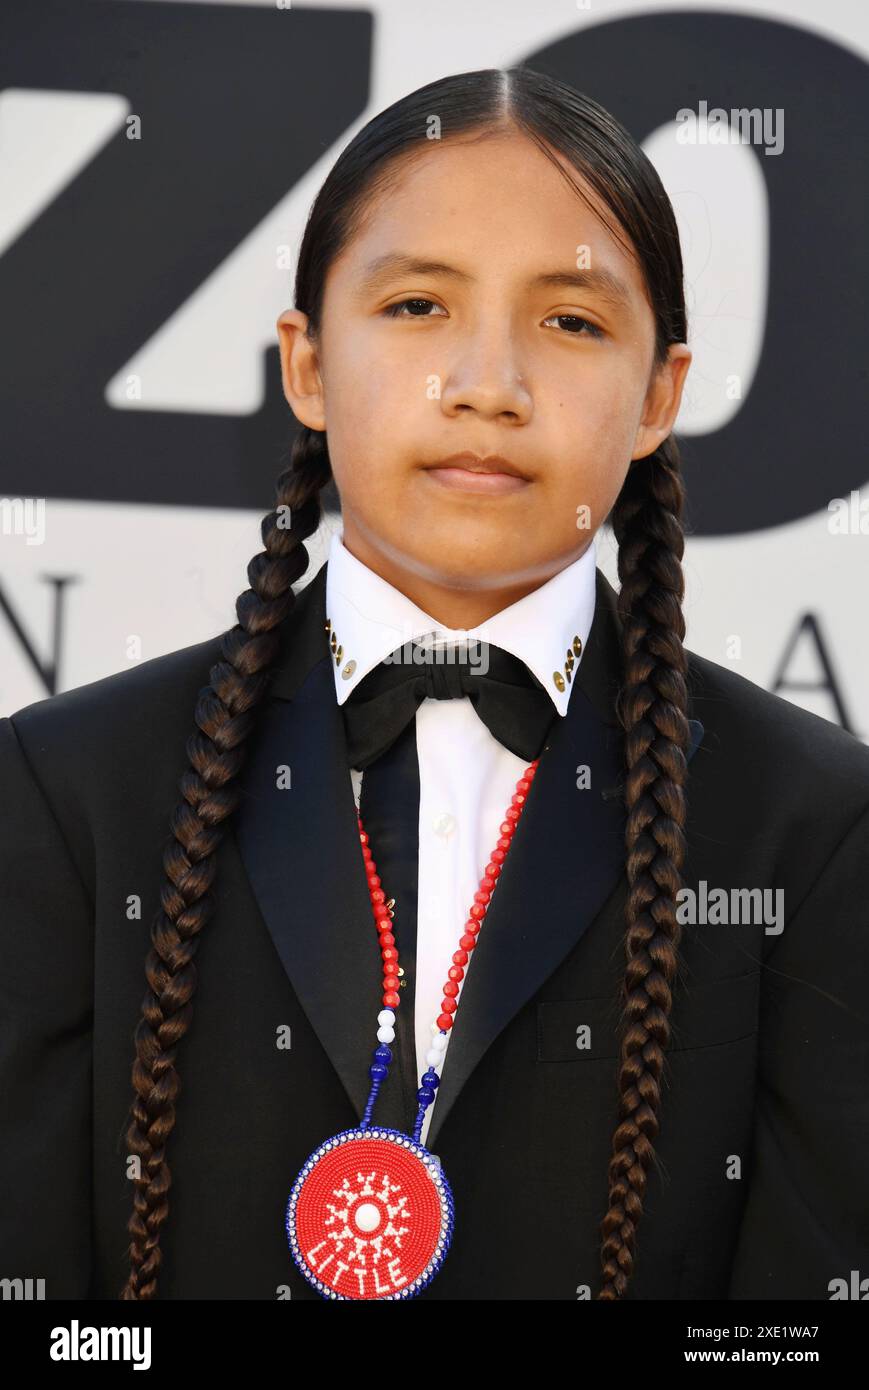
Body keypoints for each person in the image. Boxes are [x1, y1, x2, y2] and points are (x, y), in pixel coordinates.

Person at [1, 66, 867, 1302]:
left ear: (657, 397)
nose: (487, 384)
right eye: (415, 305)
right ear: (304, 364)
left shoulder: (813, 826)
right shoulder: (67, 793)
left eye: (570, 321)